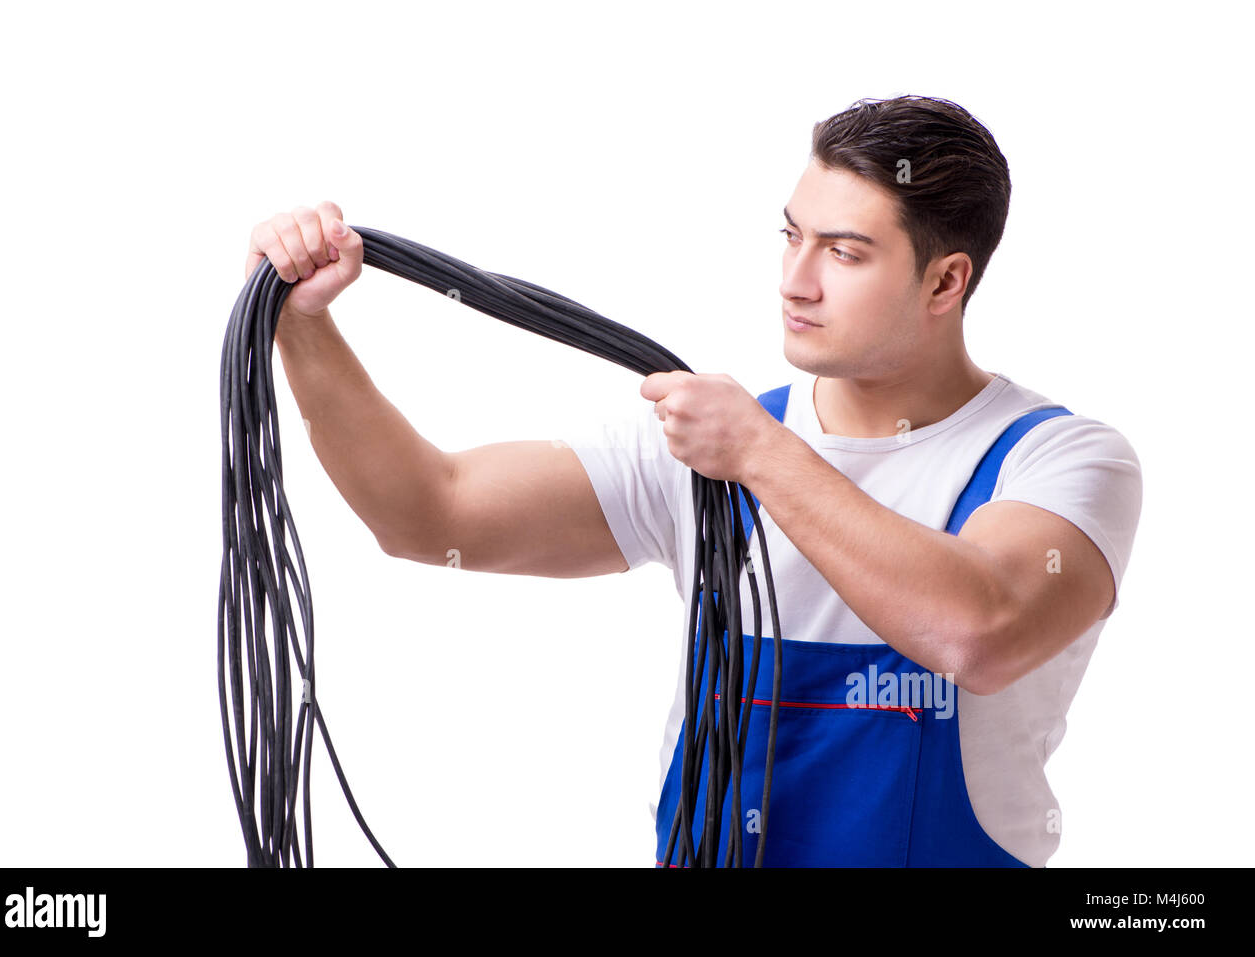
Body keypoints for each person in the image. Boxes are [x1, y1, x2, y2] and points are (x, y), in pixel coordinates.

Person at [245, 95, 1143, 868]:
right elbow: (428, 514)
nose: (796, 280)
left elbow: (975, 630)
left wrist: (759, 452)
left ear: (947, 280)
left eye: (845, 252)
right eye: (791, 236)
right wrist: (302, 328)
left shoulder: (1060, 461)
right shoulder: (702, 444)